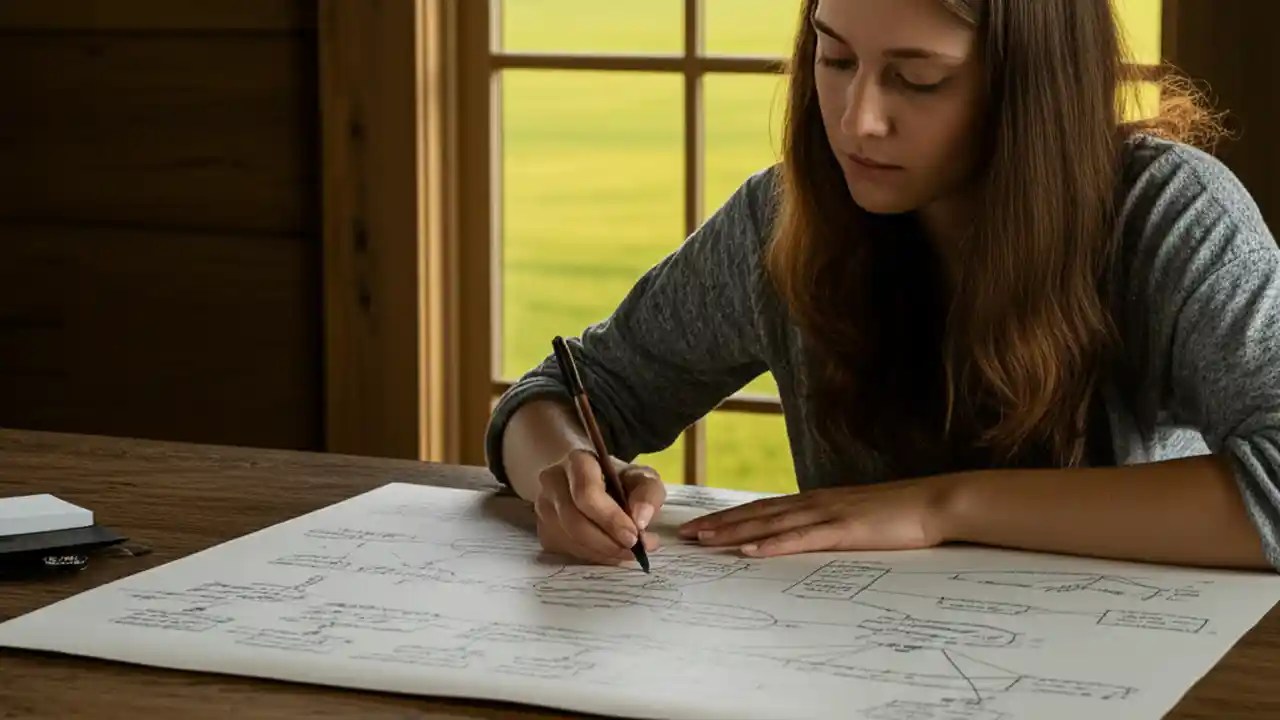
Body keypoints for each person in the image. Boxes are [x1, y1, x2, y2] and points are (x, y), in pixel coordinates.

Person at [485, 0, 1280, 572]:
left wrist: (939, 507)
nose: (856, 120)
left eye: (918, 78)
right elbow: (562, 393)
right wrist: (567, 474)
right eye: (835, 59)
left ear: (1032, 86)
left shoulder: (1168, 214)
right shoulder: (785, 219)